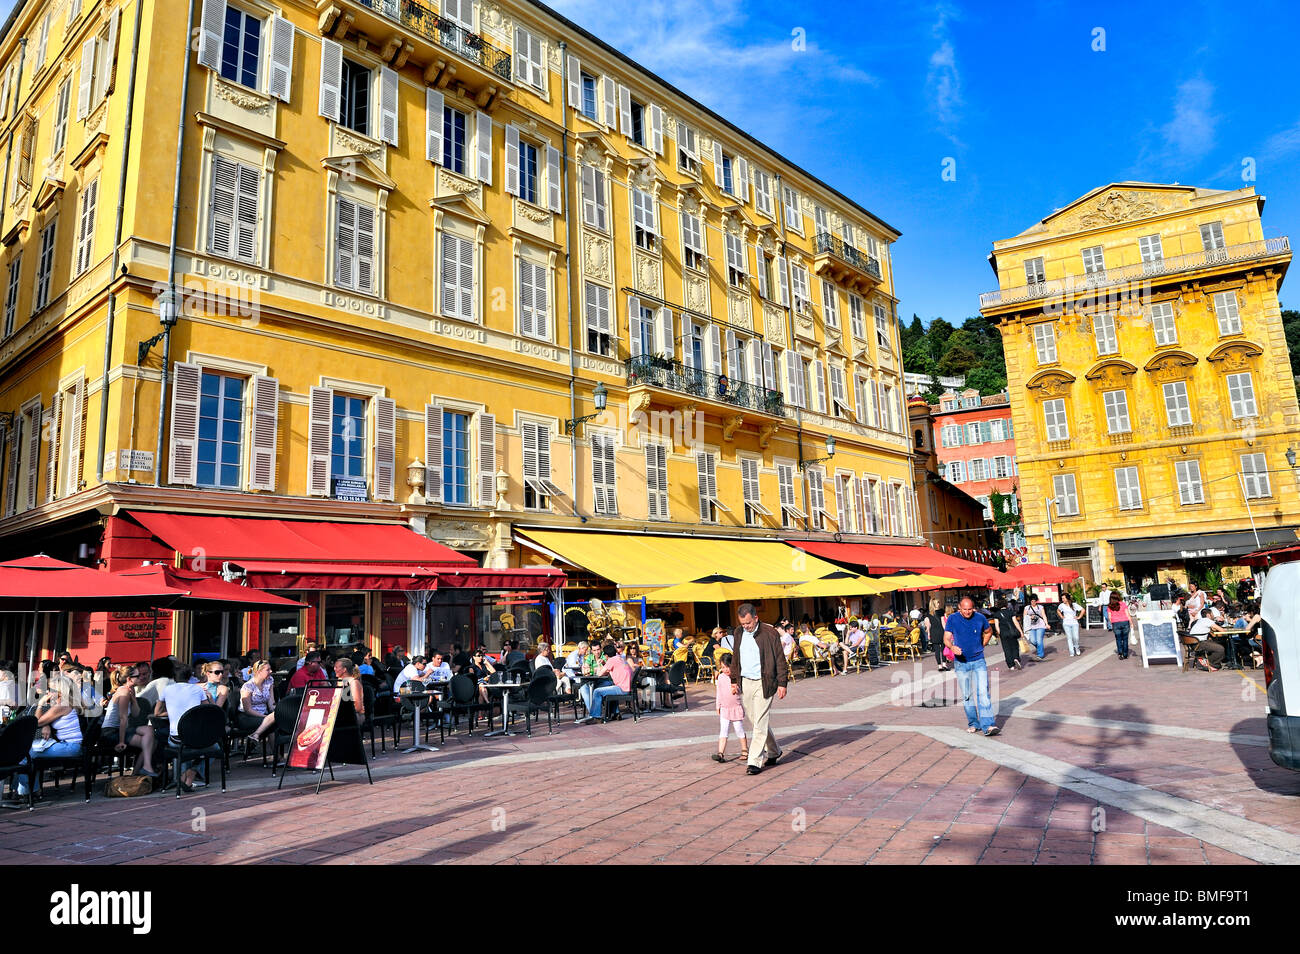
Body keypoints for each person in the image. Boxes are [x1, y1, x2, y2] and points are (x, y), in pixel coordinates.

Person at [727, 603, 789, 776]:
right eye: (742, 623)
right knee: (756, 721)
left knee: (760, 720)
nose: (746, 626)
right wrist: (733, 679)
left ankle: (754, 761)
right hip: (745, 681)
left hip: (765, 681)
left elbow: (780, 659)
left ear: (756, 618)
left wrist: (782, 683)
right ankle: (775, 751)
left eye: (748, 623)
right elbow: (735, 657)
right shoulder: (739, 632)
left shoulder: (770, 633)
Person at [10, 675, 85, 800]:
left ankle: (23, 793)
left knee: (25, 755)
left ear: (60, 692)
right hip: (69, 745)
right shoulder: (65, 703)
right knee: (30, 755)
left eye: (51, 690)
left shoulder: (61, 705)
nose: (48, 693)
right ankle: (32, 791)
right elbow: (41, 721)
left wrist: (40, 704)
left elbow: (36, 722)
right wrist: (47, 723)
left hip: (70, 746)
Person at [943, 597, 999, 737]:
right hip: (961, 663)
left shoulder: (980, 618)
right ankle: (974, 723)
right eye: (964, 609)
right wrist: (952, 647)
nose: (967, 612)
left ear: (973, 608)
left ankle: (988, 726)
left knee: (983, 693)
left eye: (970, 609)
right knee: (967, 695)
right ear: (959, 608)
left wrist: (982, 645)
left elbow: (988, 631)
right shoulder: (952, 619)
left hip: (978, 660)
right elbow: (946, 638)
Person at [155, 666, 212, 792]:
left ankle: (182, 776)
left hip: (175, 738)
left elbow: (157, 712)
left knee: (179, 743)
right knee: (214, 746)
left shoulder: (167, 690)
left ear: (174, 677)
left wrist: (172, 712)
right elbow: (207, 711)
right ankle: (192, 772)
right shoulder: (198, 690)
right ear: (190, 677)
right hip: (195, 738)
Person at [101, 665, 158, 777]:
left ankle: (141, 771)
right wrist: (121, 742)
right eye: (138, 675)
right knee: (150, 743)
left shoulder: (130, 691)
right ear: (129, 679)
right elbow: (123, 718)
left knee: (150, 731)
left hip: (121, 729)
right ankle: (139, 772)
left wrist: (134, 701)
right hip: (110, 732)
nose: (141, 677)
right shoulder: (123, 692)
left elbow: (136, 714)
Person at [712, 652, 748, 763]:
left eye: (727, 667)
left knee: (739, 730)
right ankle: (720, 753)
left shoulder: (736, 677)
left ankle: (744, 750)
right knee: (723, 731)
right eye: (723, 667)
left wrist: (736, 689)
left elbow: (742, 691)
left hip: (735, 708)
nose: (725, 670)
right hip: (724, 708)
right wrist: (718, 705)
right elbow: (719, 692)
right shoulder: (721, 677)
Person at [583, 644, 633, 722]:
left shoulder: (611, 660)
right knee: (610, 687)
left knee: (597, 691)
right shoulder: (620, 658)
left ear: (606, 655)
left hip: (622, 689)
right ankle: (615, 713)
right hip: (628, 688)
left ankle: (596, 717)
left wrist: (600, 664)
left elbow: (599, 674)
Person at [238, 660, 277, 743]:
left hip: (264, 714)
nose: (271, 671)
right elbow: (247, 710)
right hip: (247, 716)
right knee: (272, 724)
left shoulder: (269, 681)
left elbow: (271, 702)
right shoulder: (248, 686)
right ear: (259, 672)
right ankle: (276, 755)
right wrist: (265, 717)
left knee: (277, 717)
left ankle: (256, 735)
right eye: (268, 670)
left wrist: (276, 711)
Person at [993, 599, 1023, 670]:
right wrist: (1021, 631)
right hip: (1012, 632)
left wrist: (1000, 633)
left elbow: (996, 626)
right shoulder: (1011, 612)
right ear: (1006, 604)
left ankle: (1011, 665)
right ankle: (1016, 658)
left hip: (1003, 633)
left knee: (1007, 649)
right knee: (1015, 646)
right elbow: (1016, 622)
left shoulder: (996, 614)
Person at [1021, 595, 1048, 660]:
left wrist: (1046, 624)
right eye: (1032, 601)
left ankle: (1040, 655)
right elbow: (1024, 617)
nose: (1033, 603)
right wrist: (1030, 617)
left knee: (1039, 640)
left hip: (1040, 625)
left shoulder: (1040, 607)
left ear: (1036, 601)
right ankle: (1039, 648)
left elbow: (1044, 616)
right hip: (1031, 626)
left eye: (1034, 601)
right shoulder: (1027, 608)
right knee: (1032, 641)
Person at [925, 599, 949, 671]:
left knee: (937, 650)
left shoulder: (929, 614)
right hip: (941, 631)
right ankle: (944, 665)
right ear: (935, 604)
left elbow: (928, 626)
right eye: (938, 603)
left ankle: (939, 666)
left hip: (934, 632)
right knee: (943, 648)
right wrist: (947, 631)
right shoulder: (941, 612)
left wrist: (929, 634)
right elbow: (943, 623)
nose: (939, 604)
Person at [1108, 592, 1133, 660]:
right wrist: (1131, 623)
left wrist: (1112, 623)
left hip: (1116, 624)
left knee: (1118, 639)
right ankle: (1125, 654)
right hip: (1125, 622)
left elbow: (1109, 617)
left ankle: (1120, 653)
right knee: (1125, 639)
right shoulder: (1123, 604)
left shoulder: (1110, 606)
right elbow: (1127, 614)